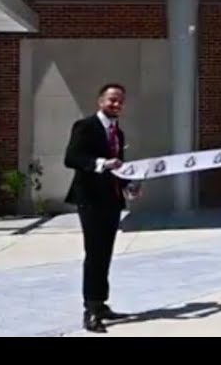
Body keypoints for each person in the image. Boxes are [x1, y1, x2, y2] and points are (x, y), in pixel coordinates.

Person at [63, 83, 137, 334]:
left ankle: (101, 303)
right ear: (100, 101)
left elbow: (119, 167)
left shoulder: (118, 133)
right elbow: (71, 158)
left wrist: (128, 185)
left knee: (105, 253)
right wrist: (101, 163)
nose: (116, 105)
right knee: (94, 253)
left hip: (112, 200)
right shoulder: (85, 126)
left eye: (120, 101)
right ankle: (91, 310)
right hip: (90, 199)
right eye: (112, 100)